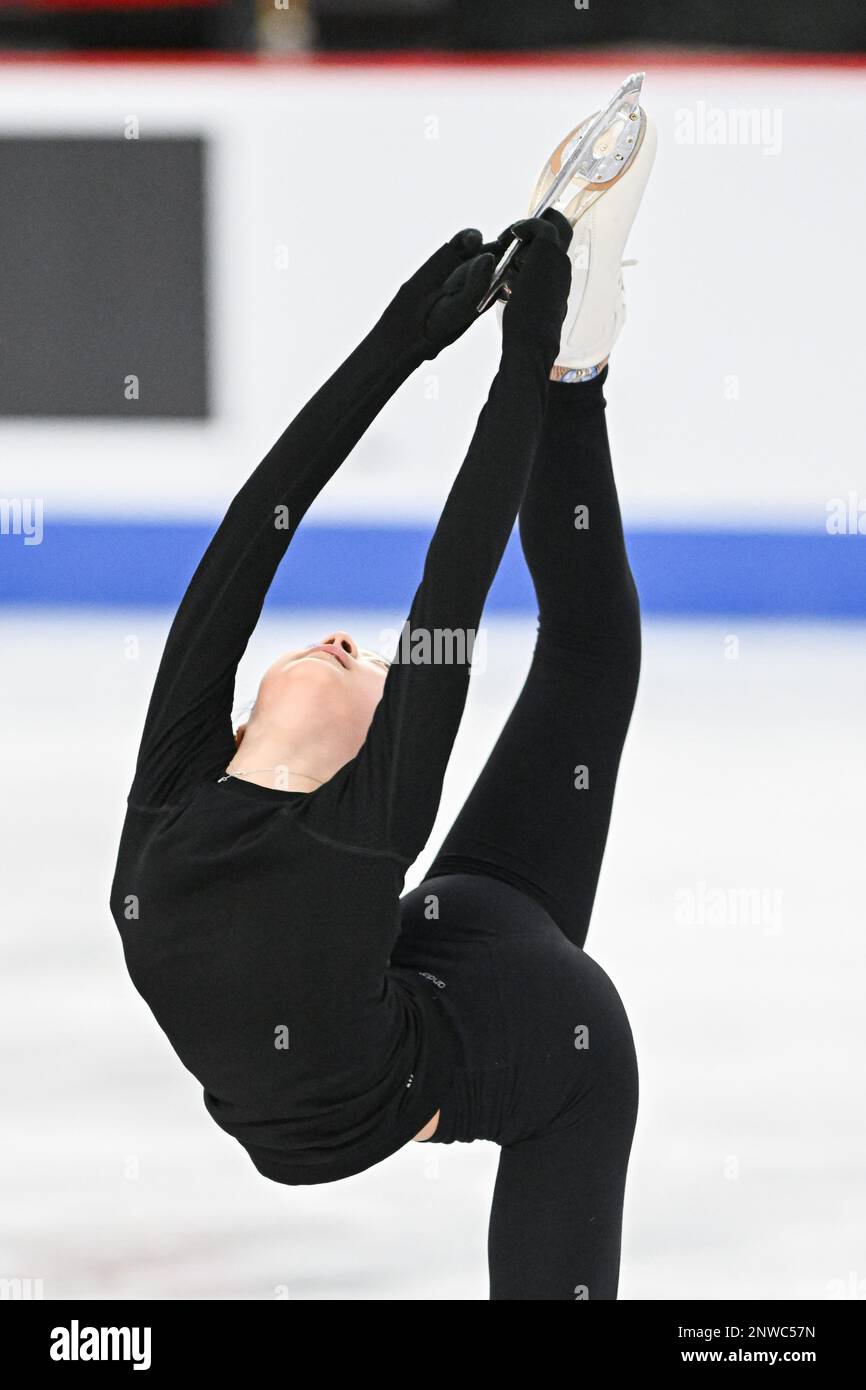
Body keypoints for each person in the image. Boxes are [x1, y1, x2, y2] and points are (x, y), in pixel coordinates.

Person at [110, 103, 656, 1299]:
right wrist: (480, 345)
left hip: (444, 978)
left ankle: (576, 377)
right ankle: (569, 376)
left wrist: (424, 338)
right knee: (591, 659)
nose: (350, 642)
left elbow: (310, 533)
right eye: (369, 668)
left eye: (360, 664)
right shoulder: (358, 832)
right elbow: (424, 563)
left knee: (586, 658)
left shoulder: (184, 809)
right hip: (449, 1027)